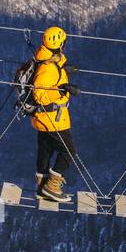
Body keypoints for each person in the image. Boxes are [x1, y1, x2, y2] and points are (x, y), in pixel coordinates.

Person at [31, 26, 77, 202]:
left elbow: (48, 81)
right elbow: (40, 94)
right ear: (60, 44)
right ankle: (52, 187)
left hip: (44, 118)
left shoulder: (49, 61)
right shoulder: (48, 67)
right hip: (53, 119)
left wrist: (65, 71)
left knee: (46, 149)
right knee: (68, 151)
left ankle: (42, 186)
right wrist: (61, 90)